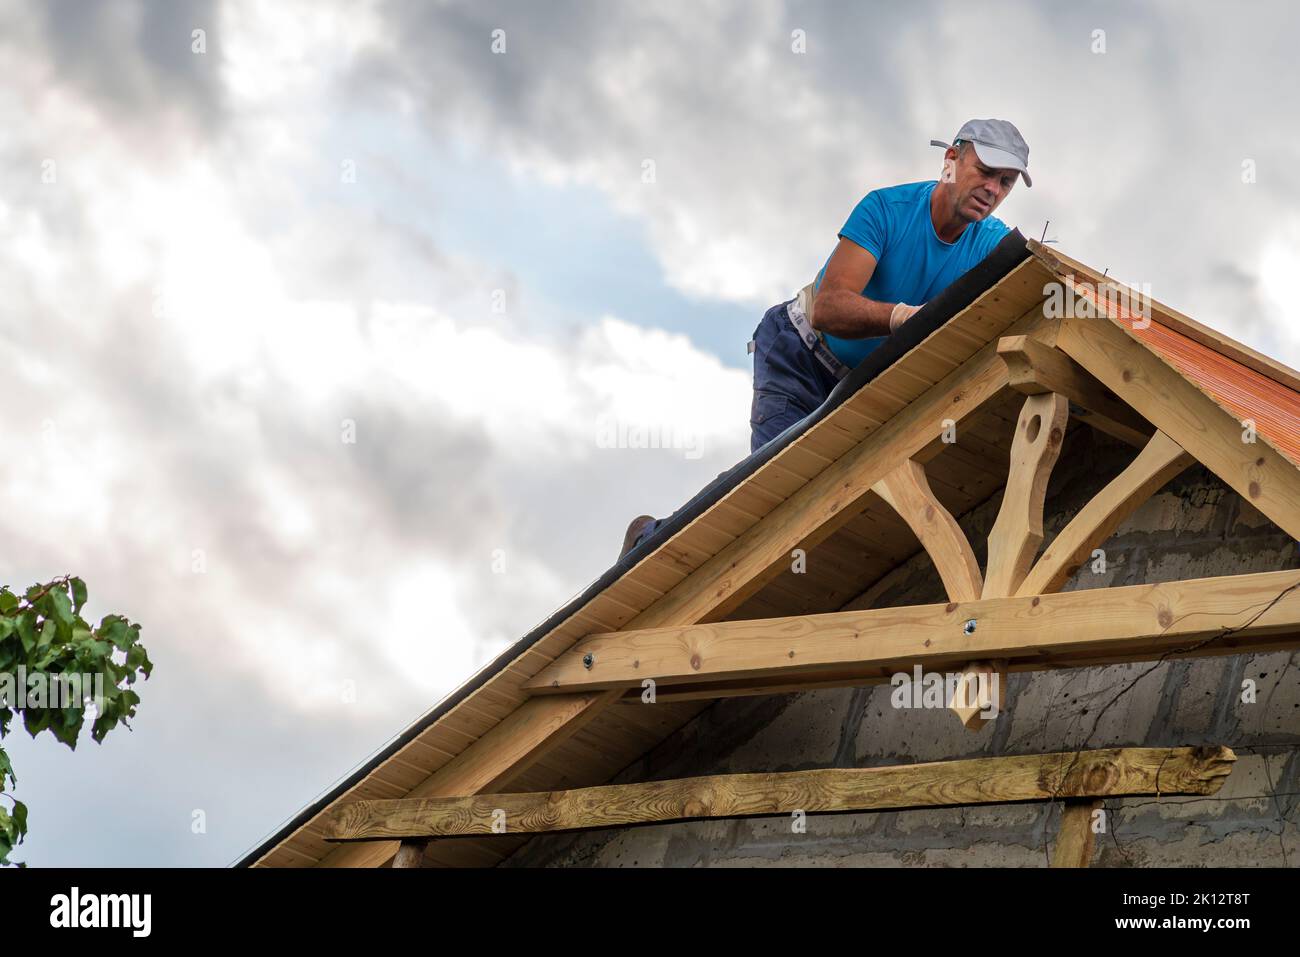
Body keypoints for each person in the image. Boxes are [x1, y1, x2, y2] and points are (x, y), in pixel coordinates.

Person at [619, 118, 1032, 560]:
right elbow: (829, 308)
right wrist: (901, 317)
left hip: (856, 382)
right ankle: (649, 539)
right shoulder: (886, 209)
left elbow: (1025, 286)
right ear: (950, 160)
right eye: (985, 172)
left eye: (1005, 182)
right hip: (797, 351)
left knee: (825, 501)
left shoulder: (990, 244)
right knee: (773, 486)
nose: (993, 189)